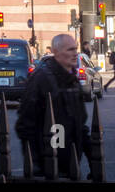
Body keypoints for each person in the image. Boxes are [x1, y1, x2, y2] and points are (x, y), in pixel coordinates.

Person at [15, 33, 90, 178]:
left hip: (71, 164)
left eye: (76, 49)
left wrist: (93, 160)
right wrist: (35, 163)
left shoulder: (72, 80)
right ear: (56, 52)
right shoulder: (41, 78)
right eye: (70, 50)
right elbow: (25, 124)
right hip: (47, 165)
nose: (75, 54)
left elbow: (81, 126)